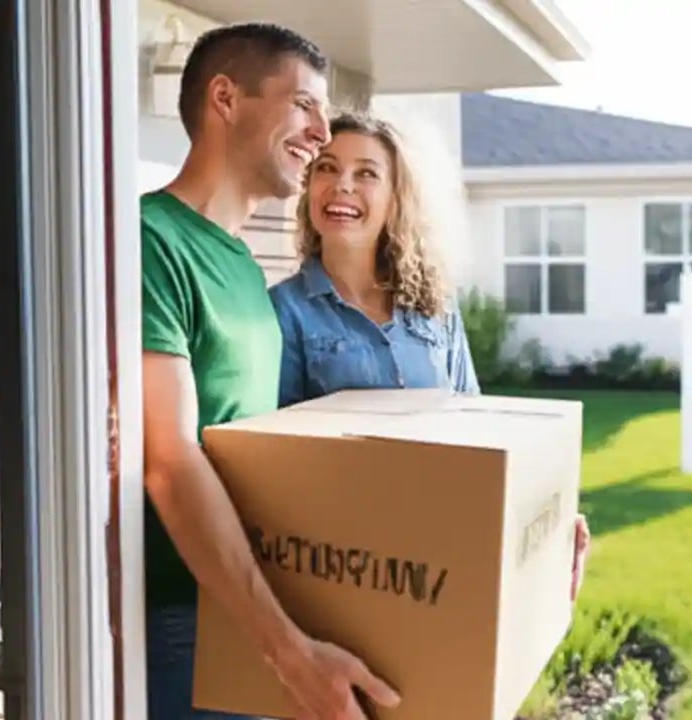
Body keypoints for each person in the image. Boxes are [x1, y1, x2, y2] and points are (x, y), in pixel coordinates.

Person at [139, 24, 400, 720]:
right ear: (225, 98)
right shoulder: (148, 241)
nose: (321, 133)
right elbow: (169, 460)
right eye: (304, 105)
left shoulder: (246, 270)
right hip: (182, 624)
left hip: (246, 615)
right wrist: (287, 650)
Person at [269, 110, 592, 600]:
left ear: (396, 198)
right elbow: (274, 460)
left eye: (366, 174)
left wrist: (548, 517)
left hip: (443, 549)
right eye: (327, 168)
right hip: (345, 565)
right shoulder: (285, 312)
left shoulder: (435, 307)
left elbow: (476, 427)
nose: (342, 186)